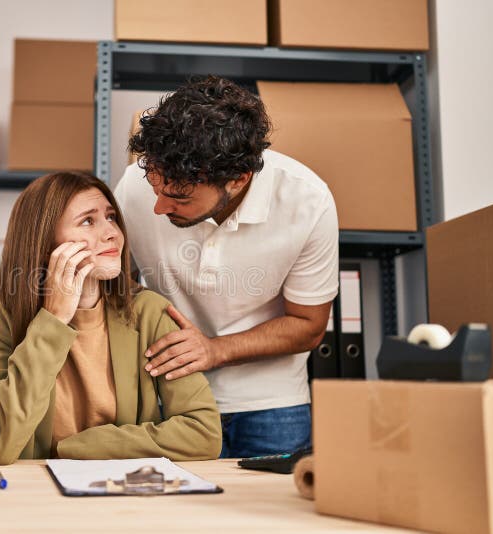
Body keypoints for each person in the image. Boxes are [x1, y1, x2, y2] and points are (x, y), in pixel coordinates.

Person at [114, 76, 339, 458]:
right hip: (169, 399)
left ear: (238, 179)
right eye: (155, 186)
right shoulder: (136, 187)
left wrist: (215, 350)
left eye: (179, 198)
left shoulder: (308, 202)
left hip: (272, 405)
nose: (158, 207)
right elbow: (116, 292)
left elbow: (309, 326)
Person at [0, 171, 221, 465]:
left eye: (111, 217)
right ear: (44, 243)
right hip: (35, 494)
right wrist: (53, 320)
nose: (112, 233)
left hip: (124, 493)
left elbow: (203, 434)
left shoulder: (150, 314)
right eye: (88, 221)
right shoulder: (0, 320)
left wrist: (79, 448)